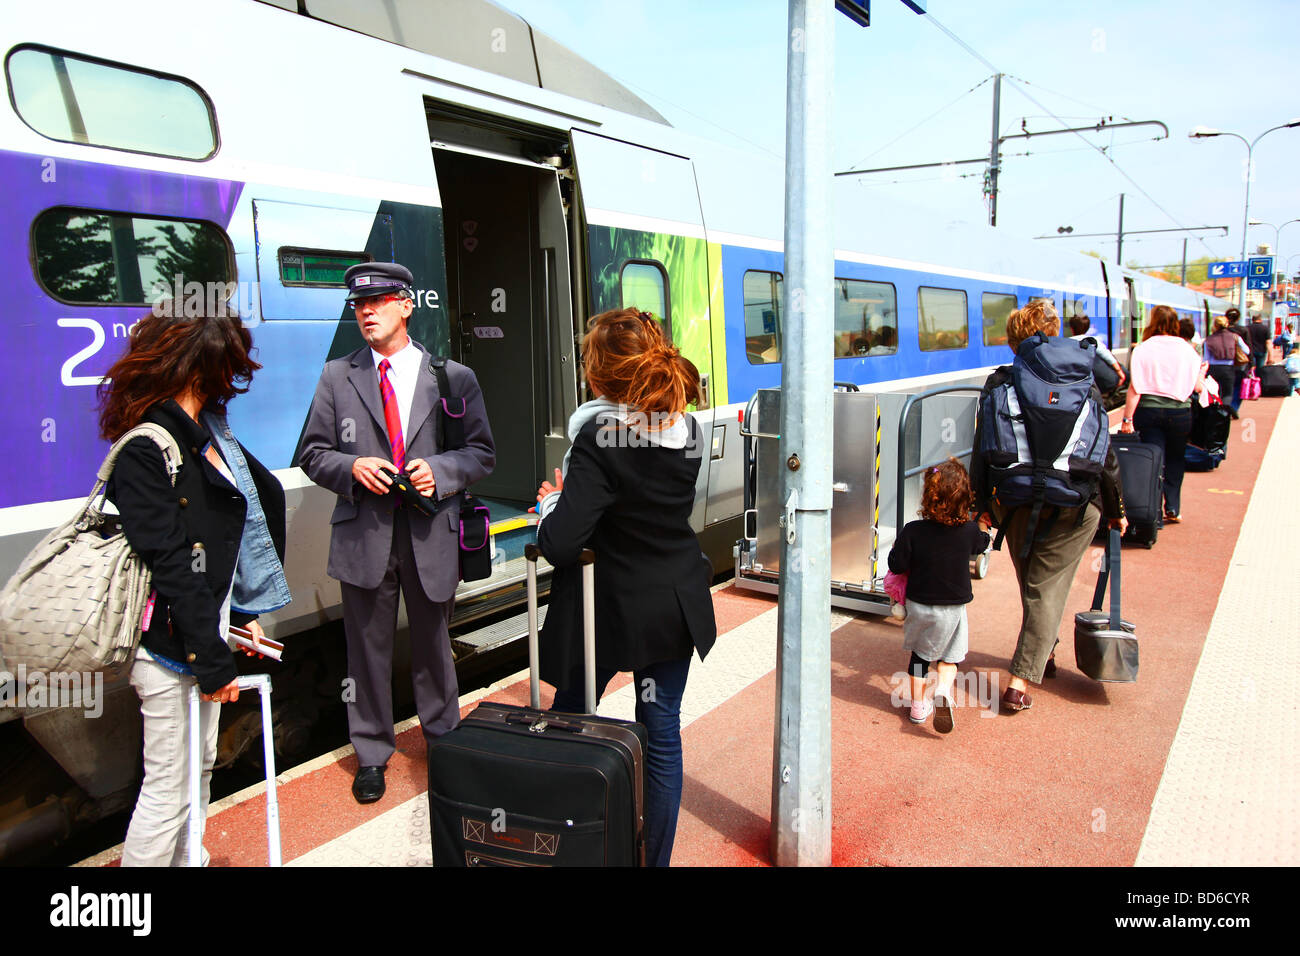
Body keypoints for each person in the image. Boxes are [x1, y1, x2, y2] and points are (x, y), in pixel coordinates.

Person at [298, 262, 495, 804]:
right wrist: (351, 469)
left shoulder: (451, 377)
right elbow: (313, 453)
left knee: (435, 646)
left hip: (431, 532)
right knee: (365, 652)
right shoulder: (337, 375)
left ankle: (443, 743)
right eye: (359, 304)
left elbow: (481, 452)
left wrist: (444, 471)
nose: (366, 311)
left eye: (379, 301)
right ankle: (371, 754)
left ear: (406, 305)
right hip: (364, 534)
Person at [101, 304, 289, 867]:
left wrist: (238, 615)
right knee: (167, 785)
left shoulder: (209, 435)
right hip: (166, 649)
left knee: (198, 767)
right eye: (224, 368)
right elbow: (172, 564)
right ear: (195, 368)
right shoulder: (146, 448)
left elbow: (229, 535)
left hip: (204, 633)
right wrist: (211, 658)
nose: (231, 382)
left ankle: (191, 859)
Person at [534, 307, 716, 866]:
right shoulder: (685, 427)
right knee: (660, 733)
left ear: (599, 376)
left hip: (606, 609)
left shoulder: (597, 434)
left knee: (570, 720)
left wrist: (550, 505)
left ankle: (565, 846)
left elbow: (564, 543)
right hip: (672, 603)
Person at [971, 298, 1127, 714]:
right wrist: (1116, 510)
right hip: (1074, 502)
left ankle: (1035, 661)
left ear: (1012, 341)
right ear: (1054, 333)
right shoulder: (1085, 379)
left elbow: (982, 449)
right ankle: (1022, 680)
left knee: (1035, 586)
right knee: (1045, 588)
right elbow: (1104, 453)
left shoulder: (1001, 381)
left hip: (1015, 498)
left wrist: (982, 504)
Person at [887, 458, 990, 734]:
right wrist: (983, 529)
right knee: (950, 657)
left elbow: (896, 564)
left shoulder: (913, 531)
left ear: (928, 497)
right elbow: (983, 543)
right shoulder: (968, 532)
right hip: (953, 608)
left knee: (920, 657)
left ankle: (918, 707)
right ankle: (943, 689)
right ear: (965, 497)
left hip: (918, 605)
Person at [1120, 305, 1206, 524]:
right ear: (1175, 323)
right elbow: (1197, 387)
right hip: (1180, 413)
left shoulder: (1142, 348)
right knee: (1176, 460)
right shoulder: (1189, 350)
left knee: (1153, 460)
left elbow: (1135, 388)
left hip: (1148, 412)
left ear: (1152, 322)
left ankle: (1154, 512)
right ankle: (1174, 507)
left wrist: (1127, 419)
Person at [1067, 314, 1127, 388]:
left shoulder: (1066, 343)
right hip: (1100, 382)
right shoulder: (1092, 341)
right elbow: (1108, 357)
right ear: (1088, 327)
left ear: (1071, 328)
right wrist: (1119, 372)